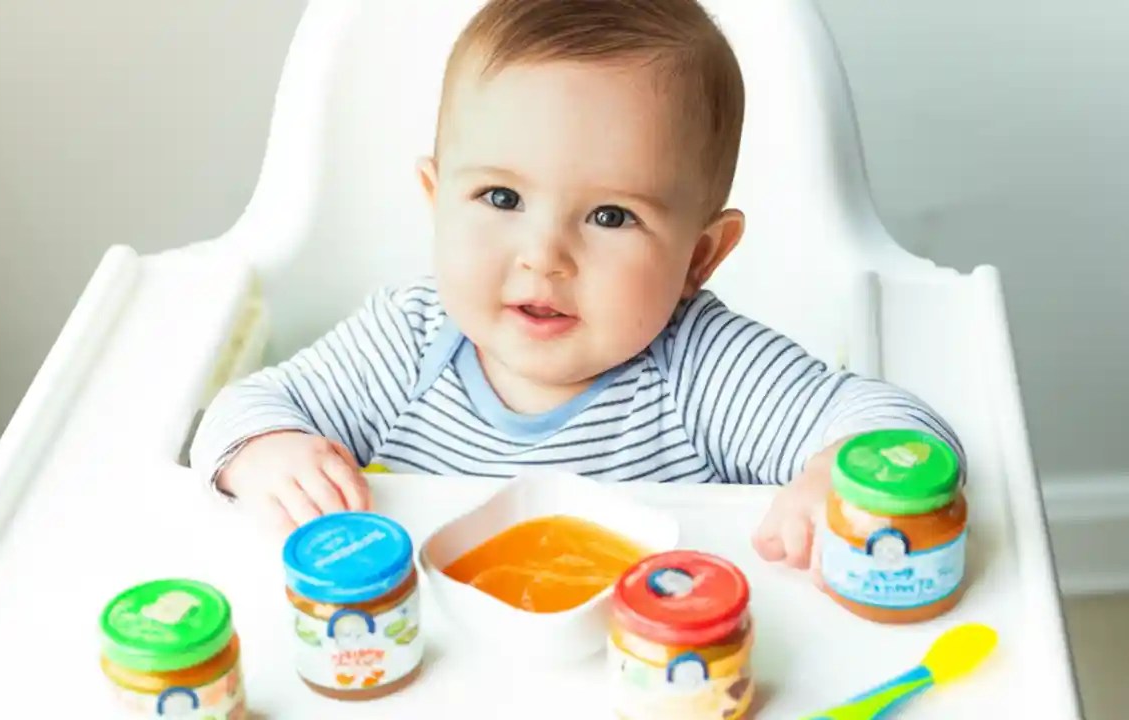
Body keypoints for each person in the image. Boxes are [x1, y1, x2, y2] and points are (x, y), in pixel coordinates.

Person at [188, 0, 962, 576]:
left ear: (700, 257)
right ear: (434, 199)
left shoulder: (702, 369)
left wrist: (837, 476)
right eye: (500, 199)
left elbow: (905, 431)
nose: (545, 256)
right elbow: (241, 409)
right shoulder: (411, 339)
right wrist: (265, 453)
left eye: (610, 215)